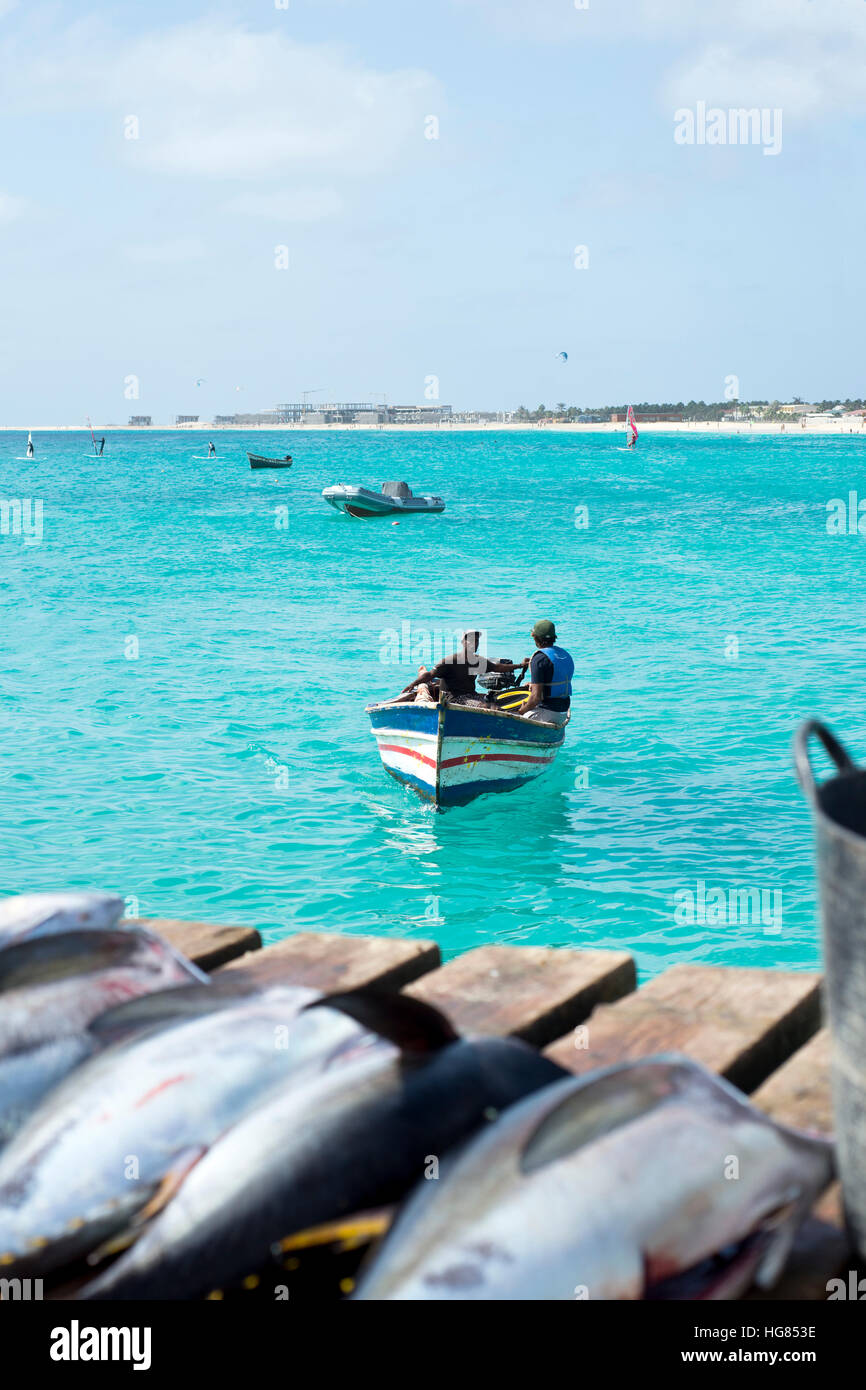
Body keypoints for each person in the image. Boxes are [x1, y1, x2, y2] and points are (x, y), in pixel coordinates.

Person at [386, 631, 517, 706]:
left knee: (497, 703)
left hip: (471, 696)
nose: (474, 644)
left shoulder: (477, 660)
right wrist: (413, 684)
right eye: (470, 640)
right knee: (484, 706)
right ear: (462, 642)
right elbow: (430, 675)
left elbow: (497, 667)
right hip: (452, 698)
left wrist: (520, 666)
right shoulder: (450, 661)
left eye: (476, 641)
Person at [517, 619, 574, 726]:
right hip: (563, 711)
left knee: (514, 716)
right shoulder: (564, 654)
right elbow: (555, 678)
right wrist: (533, 684)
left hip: (548, 713)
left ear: (534, 636)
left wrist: (522, 710)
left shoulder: (539, 659)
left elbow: (535, 698)